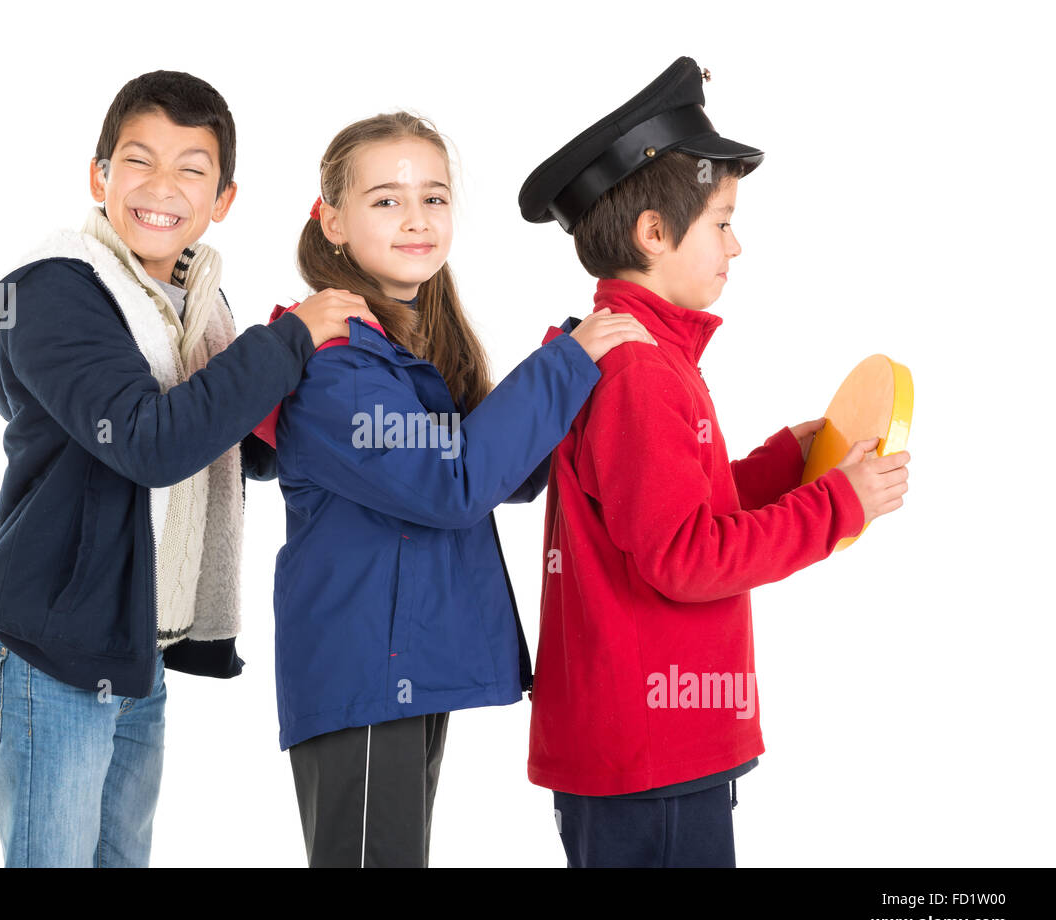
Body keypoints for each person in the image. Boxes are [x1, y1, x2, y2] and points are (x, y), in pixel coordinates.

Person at [0, 70, 362, 867]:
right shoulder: (54, 289)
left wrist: (322, 402)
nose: (161, 187)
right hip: (52, 654)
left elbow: (227, 448)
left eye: (192, 169)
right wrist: (286, 347)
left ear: (224, 199)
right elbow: (150, 442)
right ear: (98, 176)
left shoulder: (195, 302)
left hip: (132, 646)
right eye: (138, 162)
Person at [518, 56, 911, 867]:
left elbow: (670, 508)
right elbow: (684, 556)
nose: (739, 243)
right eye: (722, 221)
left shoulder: (645, 355)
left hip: (647, 754)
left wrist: (784, 466)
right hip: (651, 761)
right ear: (653, 234)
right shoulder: (639, 371)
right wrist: (836, 504)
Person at [249, 111, 657, 867]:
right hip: (366, 671)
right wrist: (565, 365)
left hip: (404, 667)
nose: (417, 219)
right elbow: (453, 482)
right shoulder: (337, 368)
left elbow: (501, 472)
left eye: (434, 198)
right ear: (332, 222)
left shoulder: (403, 349)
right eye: (386, 199)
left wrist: (571, 374)